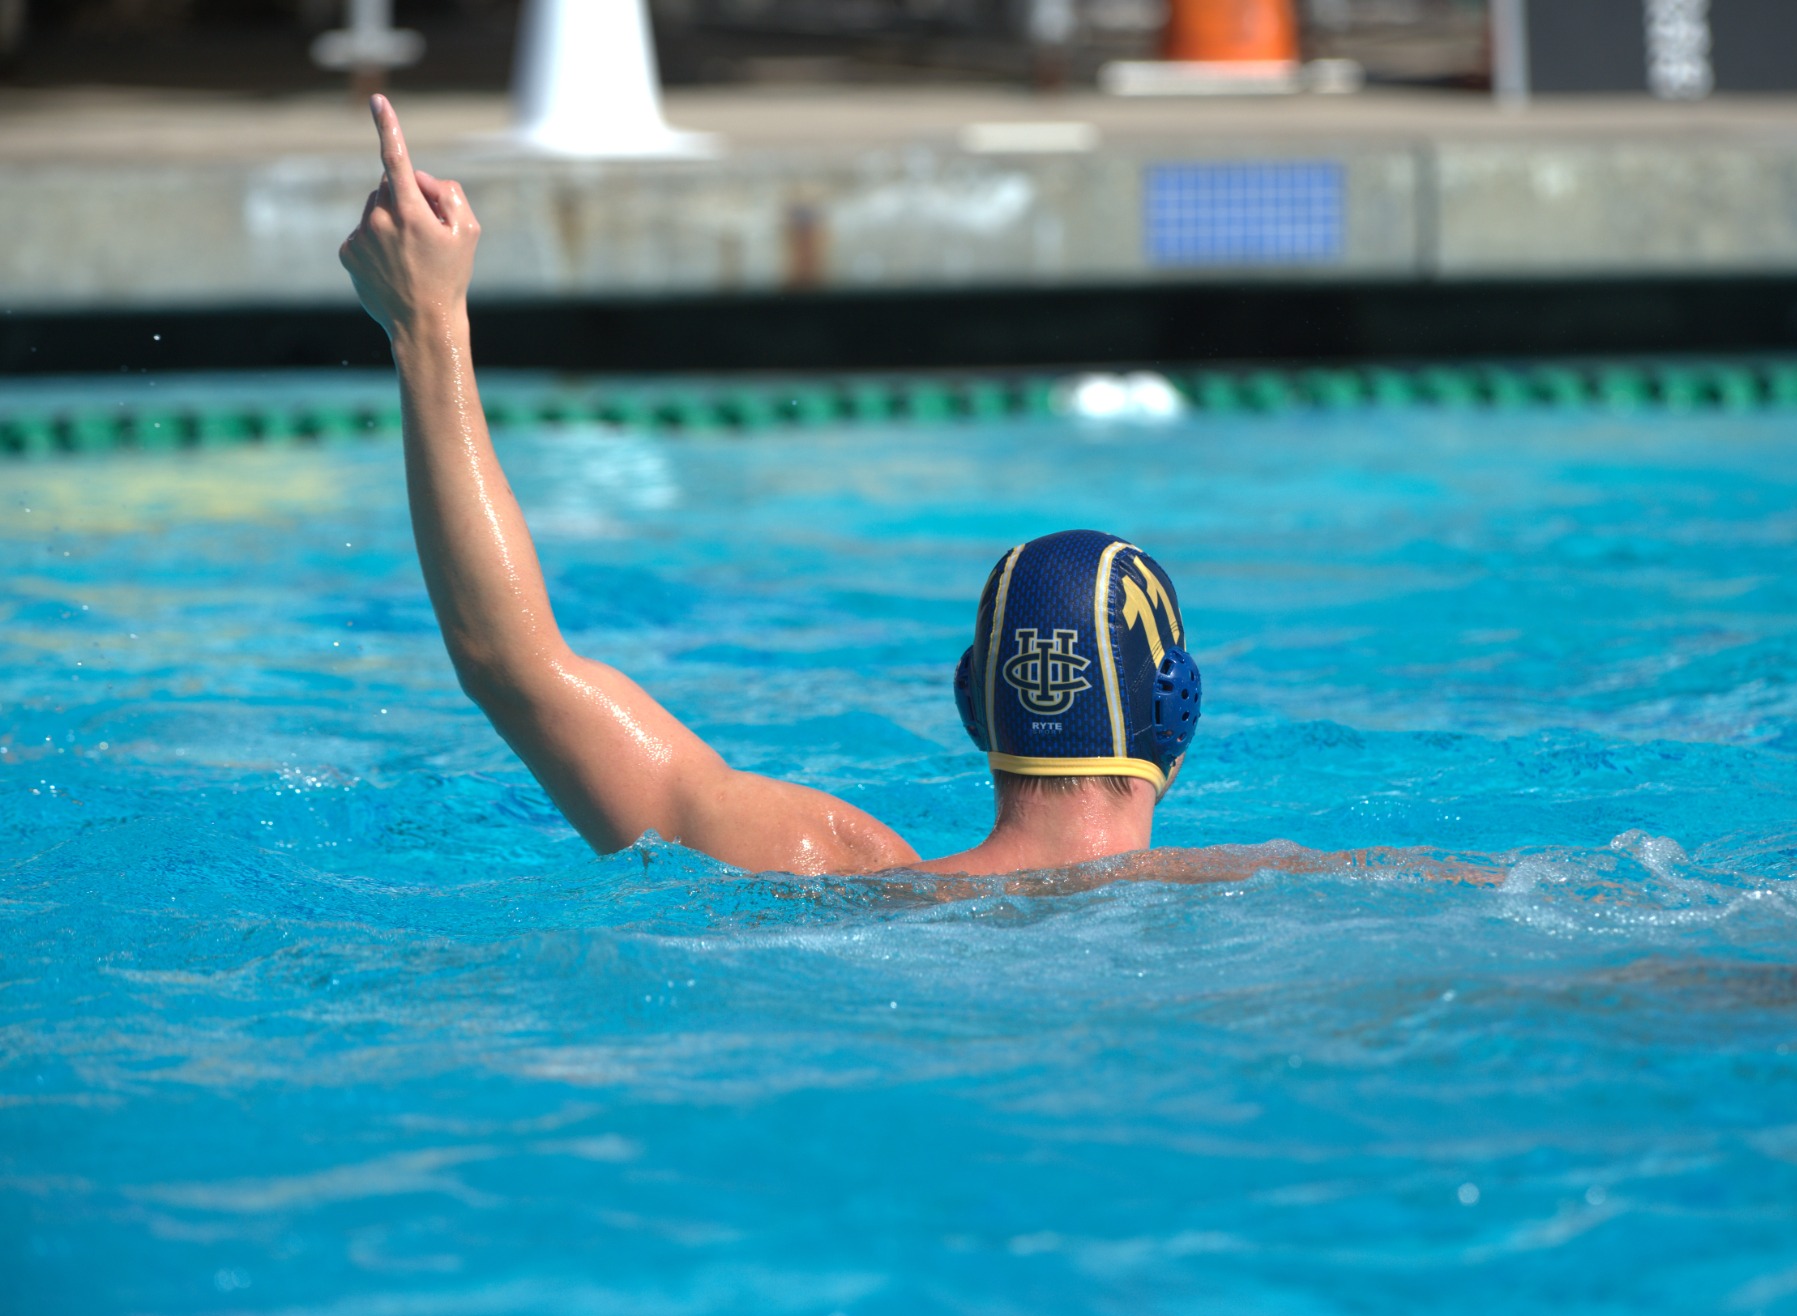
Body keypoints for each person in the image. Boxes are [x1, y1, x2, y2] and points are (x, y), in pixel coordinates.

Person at [338, 95, 1204, 878]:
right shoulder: (1277, 884)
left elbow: (512, 664)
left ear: (977, 704)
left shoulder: (843, 874)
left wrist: (428, 325)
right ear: (1175, 713)